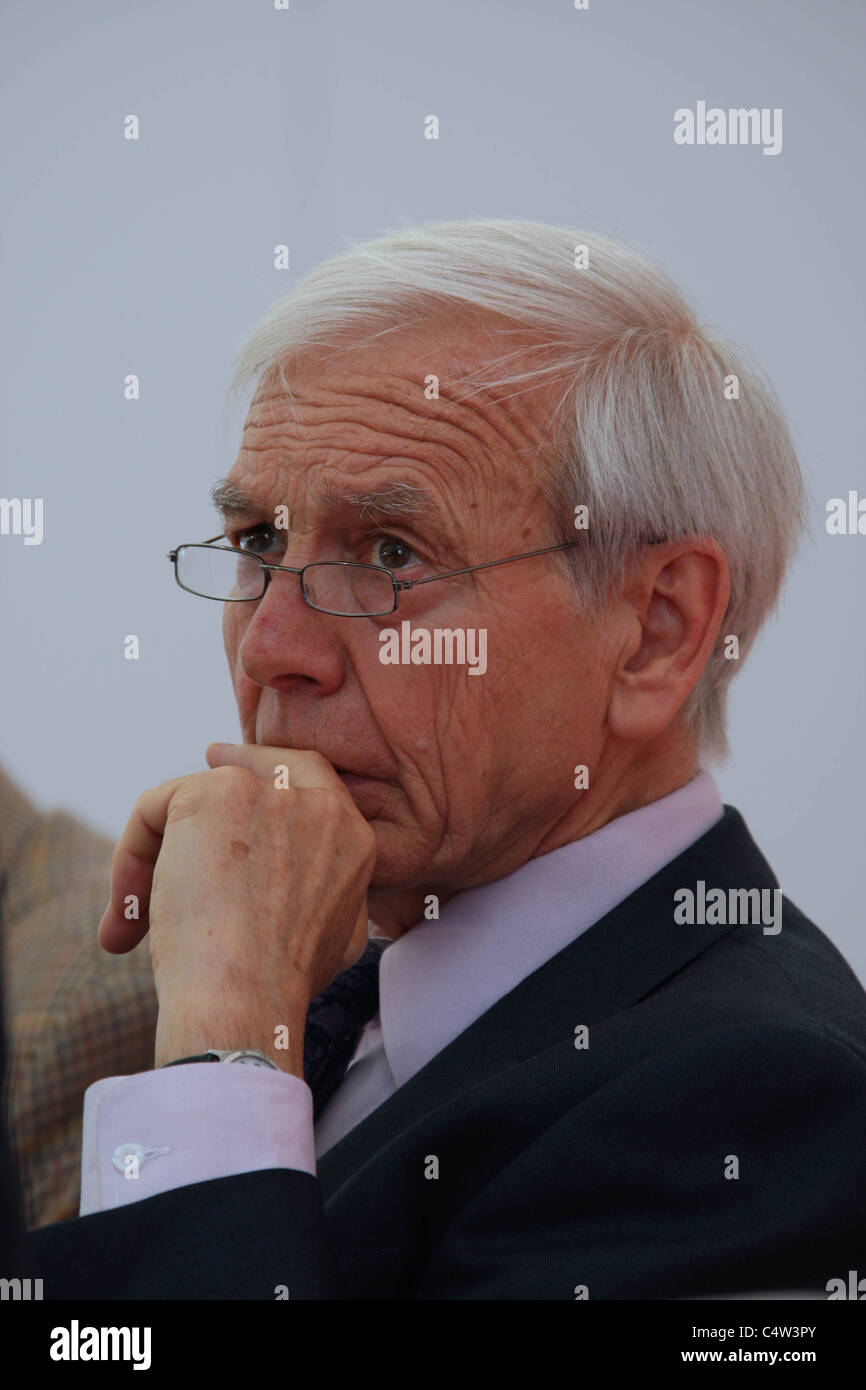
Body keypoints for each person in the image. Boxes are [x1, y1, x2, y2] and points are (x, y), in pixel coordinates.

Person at [20, 220, 866, 1299]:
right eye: (259, 545)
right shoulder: (350, 987)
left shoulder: (760, 1109)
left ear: (655, 629)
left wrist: (224, 1056)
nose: (273, 648)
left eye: (388, 556)